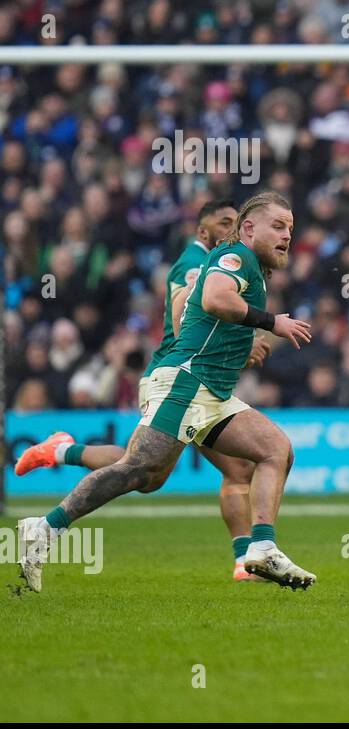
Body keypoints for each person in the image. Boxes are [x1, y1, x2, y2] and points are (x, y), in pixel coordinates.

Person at [16, 193, 316, 592]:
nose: (286, 236)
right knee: (137, 469)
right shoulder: (236, 256)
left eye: (290, 229)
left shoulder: (254, 267)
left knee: (274, 450)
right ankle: (44, 528)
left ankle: (260, 547)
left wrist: (244, 341)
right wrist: (269, 323)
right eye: (278, 226)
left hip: (214, 393)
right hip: (188, 383)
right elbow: (211, 299)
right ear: (248, 228)